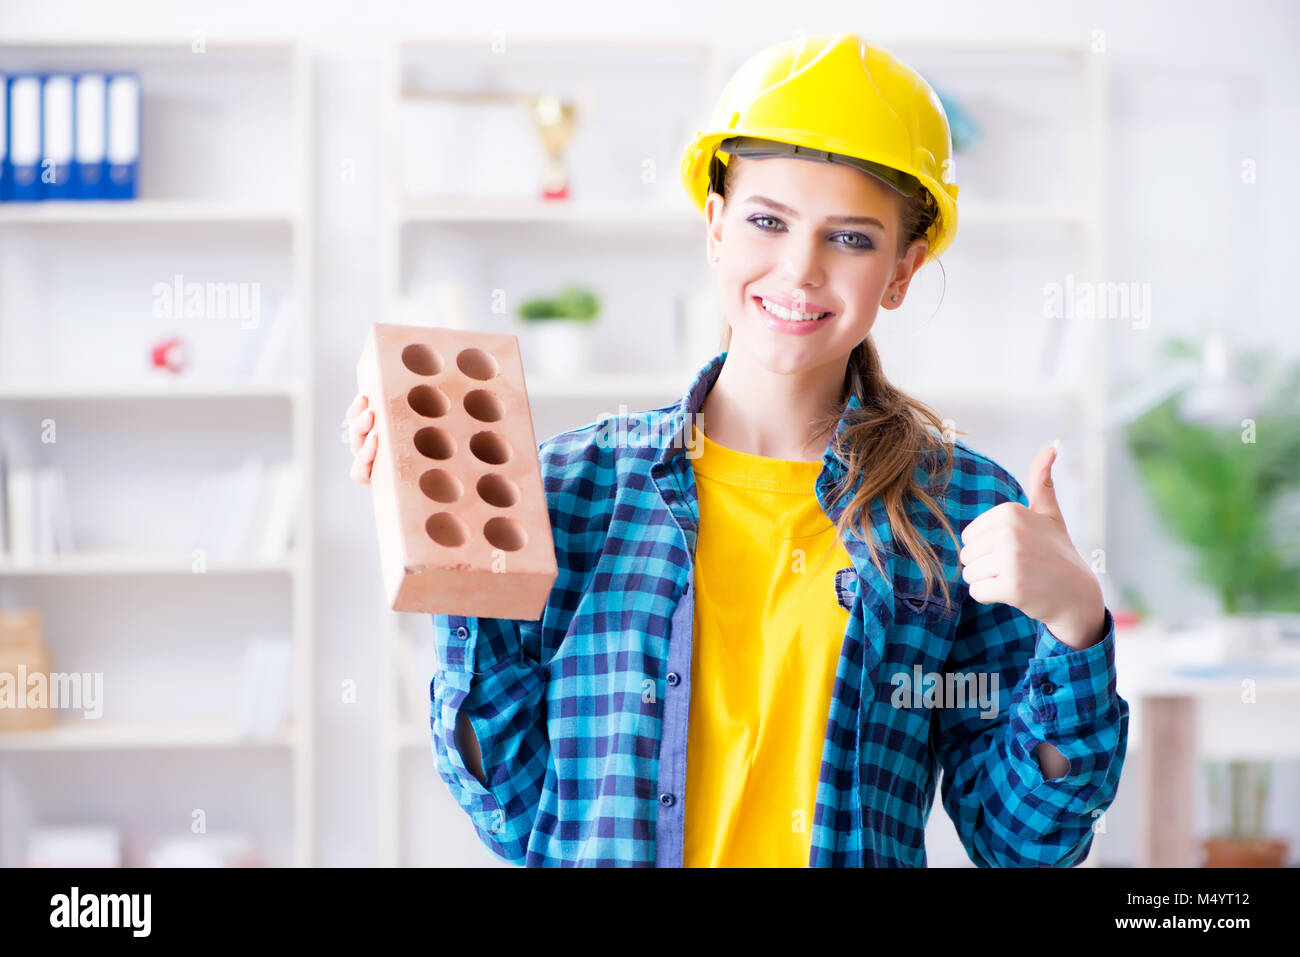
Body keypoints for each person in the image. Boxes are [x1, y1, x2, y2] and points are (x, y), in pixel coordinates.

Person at [345, 33, 1128, 867]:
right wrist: (451, 547)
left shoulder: (954, 511)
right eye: (767, 221)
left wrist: (1075, 623)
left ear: (904, 269)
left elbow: (1024, 842)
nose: (799, 270)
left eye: (852, 239)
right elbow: (512, 812)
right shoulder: (574, 494)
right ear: (716, 227)